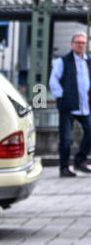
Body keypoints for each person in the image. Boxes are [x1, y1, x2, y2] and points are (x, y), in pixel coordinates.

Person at [49, 33, 91, 178]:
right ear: (72, 44)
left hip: (84, 105)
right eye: (78, 42)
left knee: (90, 131)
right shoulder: (63, 61)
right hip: (68, 105)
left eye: (83, 43)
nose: (80, 45)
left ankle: (80, 161)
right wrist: (62, 96)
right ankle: (64, 167)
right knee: (66, 138)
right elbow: (53, 80)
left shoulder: (88, 62)